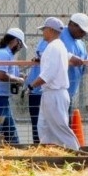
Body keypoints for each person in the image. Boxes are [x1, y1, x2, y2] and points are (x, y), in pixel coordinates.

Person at [28, 17, 80, 150]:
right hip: (52, 93)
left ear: (50, 30)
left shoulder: (53, 47)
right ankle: (50, 152)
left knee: (60, 127)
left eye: (44, 29)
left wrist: (31, 85)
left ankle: (77, 154)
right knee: (44, 126)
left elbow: (47, 75)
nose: (43, 32)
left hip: (54, 93)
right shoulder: (58, 46)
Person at [0, 28, 26, 144]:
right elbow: (0, 75)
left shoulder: (5, 53)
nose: (20, 49)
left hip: (3, 98)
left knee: (11, 132)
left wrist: (17, 75)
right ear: (16, 41)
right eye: (20, 45)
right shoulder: (4, 54)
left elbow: (5, 72)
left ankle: (15, 150)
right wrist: (18, 79)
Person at [24, 48, 43, 144]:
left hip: (39, 91)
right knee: (36, 123)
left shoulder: (53, 45)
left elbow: (45, 75)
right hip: (36, 92)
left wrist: (31, 86)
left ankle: (39, 145)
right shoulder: (45, 43)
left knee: (39, 123)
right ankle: (38, 145)